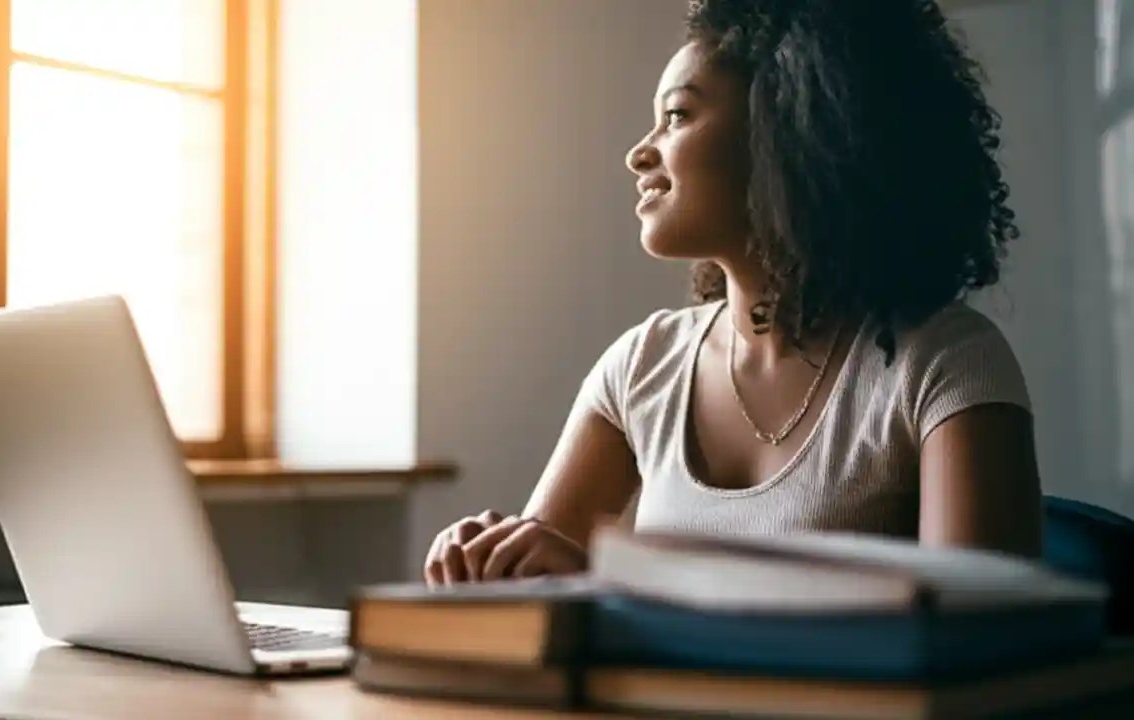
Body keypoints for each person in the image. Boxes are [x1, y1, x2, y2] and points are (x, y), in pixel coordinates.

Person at [424, 0, 1043, 587]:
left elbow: (979, 643)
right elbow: (536, 606)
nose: (640, 153)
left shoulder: (945, 362)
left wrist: (616, 590)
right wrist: (491, 565)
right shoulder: (641, 369)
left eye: (677, 116)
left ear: (791, 129)